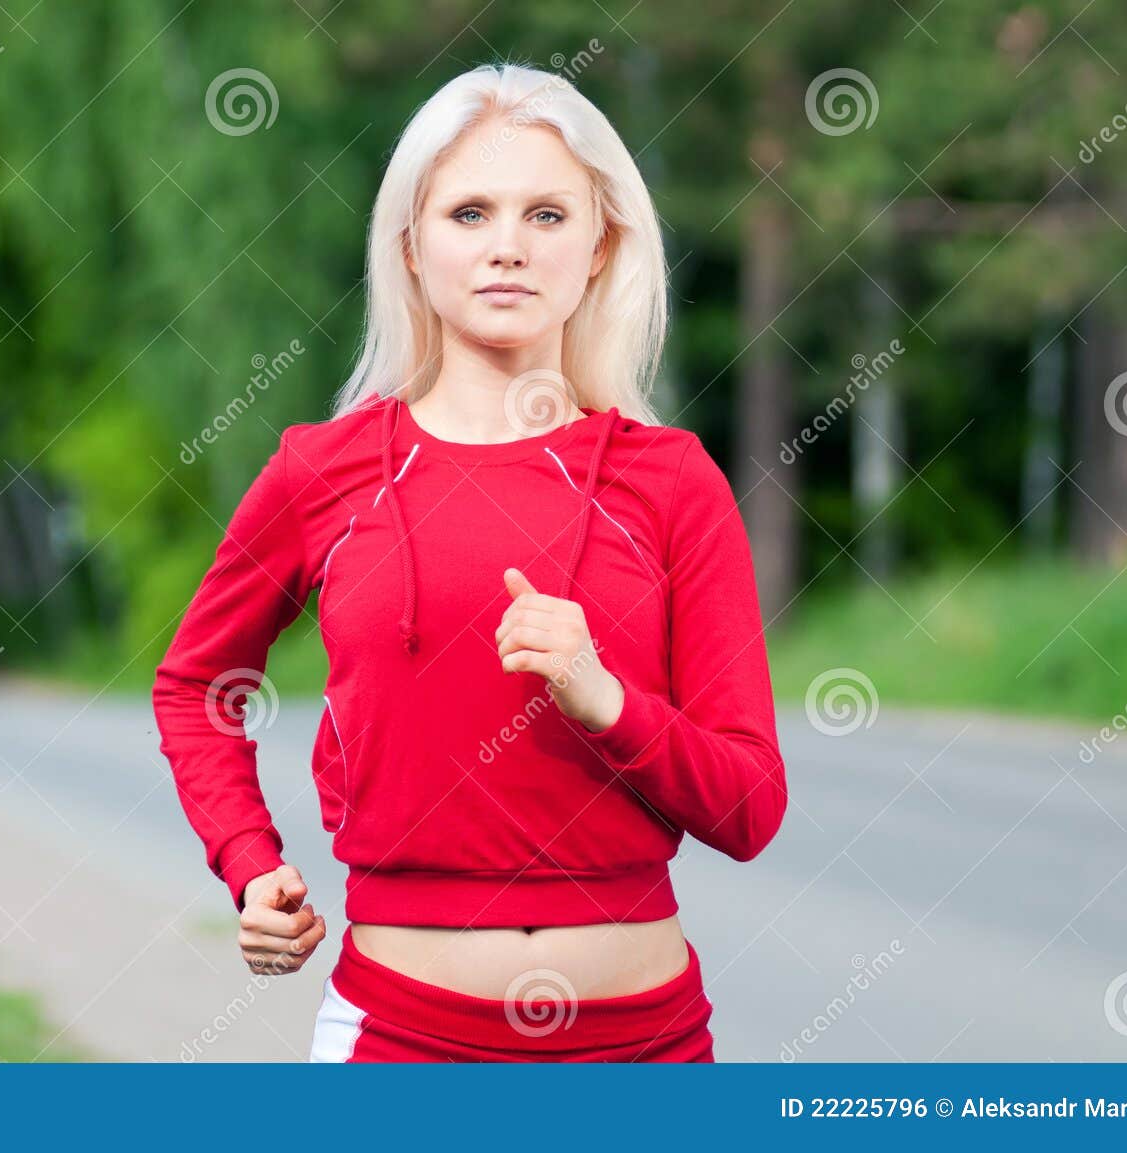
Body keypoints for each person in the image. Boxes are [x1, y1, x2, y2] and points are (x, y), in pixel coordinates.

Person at [152, 60, 788, 1062]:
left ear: (598, 246)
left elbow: (749, 807)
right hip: (402, 1039)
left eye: (545, 215)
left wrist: (603, 699)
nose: (506, 249)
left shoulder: (670, 482)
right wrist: (248, 860)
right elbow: (194, 684)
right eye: (468, 213)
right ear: (410, 247)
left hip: (643, 1046)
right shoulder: (323, 471)